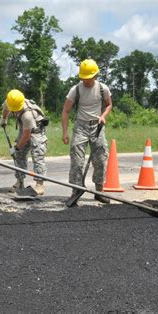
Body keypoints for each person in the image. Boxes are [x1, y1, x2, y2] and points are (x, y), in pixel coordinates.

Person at [62, 59, 112, 205]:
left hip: (97, 126)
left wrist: (103, 116)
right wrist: (65, 133)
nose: (86, 80)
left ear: (95, 75)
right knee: (77, 161)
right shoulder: (75, 90)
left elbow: (109, 105)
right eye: (83, 78)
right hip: (80, 128)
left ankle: (99, 191)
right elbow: (65, 111)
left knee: (101, 159)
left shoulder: (103, 88)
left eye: (88, 78)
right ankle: (76, 190)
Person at [0, 89, 48, 195]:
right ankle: (20, 181)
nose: (16, 111)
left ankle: (39, 184)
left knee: (38, 155)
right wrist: (4, 119)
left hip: (37, 131)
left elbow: (27, 136)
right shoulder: (10, 102)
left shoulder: (27, 115)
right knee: (19, 156)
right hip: (24, 128)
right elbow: (6, 109)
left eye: (17, 109)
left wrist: (16, 148)